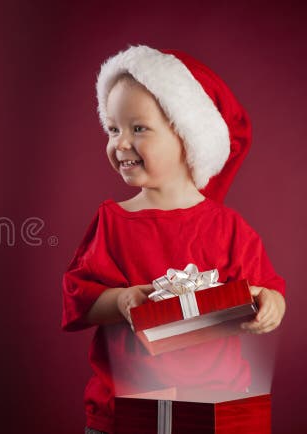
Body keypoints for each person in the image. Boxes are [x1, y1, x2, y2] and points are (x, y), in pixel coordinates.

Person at [61, 45, 286, 434]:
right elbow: (79, 300)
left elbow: (268, 291)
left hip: (215, 409)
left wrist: (270, 305)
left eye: (138, 128)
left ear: (186, 136)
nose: (121, 143)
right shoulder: (113, 221)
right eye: (113, 128)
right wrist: (122, 301)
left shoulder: (229, 227)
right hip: (126, 412)